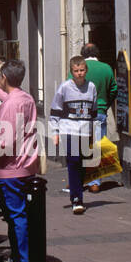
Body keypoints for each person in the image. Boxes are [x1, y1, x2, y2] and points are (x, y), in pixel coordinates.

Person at [0, 59, 39, 262]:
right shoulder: (25, 98)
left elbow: (5, 141)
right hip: (26, 165)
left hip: (11, 167)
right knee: (20, 215)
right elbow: (12, 103)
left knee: (15, 216)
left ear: (5, 78)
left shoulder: (11, 104)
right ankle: (23, 258)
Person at [50, 55, 99, 215]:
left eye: (82, 70)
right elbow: (55, 110)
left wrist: (94, 132)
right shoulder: (64, 88)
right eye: (76, 71)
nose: (79, 73)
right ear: (71, 72)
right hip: (68, 129)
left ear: (86, 70)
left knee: (83, 163)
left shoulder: (91, 87)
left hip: (85, 129)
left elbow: (94, 110)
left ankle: (78, 193)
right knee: (73, 162)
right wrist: (55, 132)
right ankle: (76, 199)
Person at [76, 42, 117, 192]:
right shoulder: (106, 68)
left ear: (83, 54)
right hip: (99, 112)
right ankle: (96, 182)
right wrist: (105, 104)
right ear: (97, 53)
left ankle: (79, 180)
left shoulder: (77, 69)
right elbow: (113, 89)